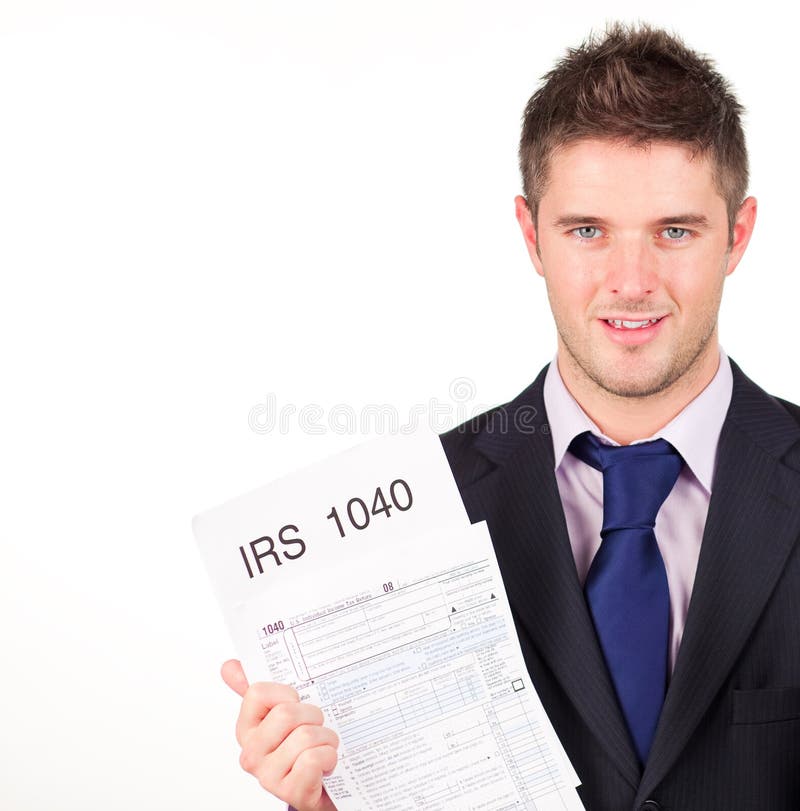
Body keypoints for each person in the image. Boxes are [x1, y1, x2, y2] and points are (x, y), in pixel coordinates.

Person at [221, 23, 800, 811]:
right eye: (587, 230)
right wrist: (327, 802)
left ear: (739, 234)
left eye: (674, 231)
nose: (630, 281)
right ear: (532, 235)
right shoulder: (420, 504)